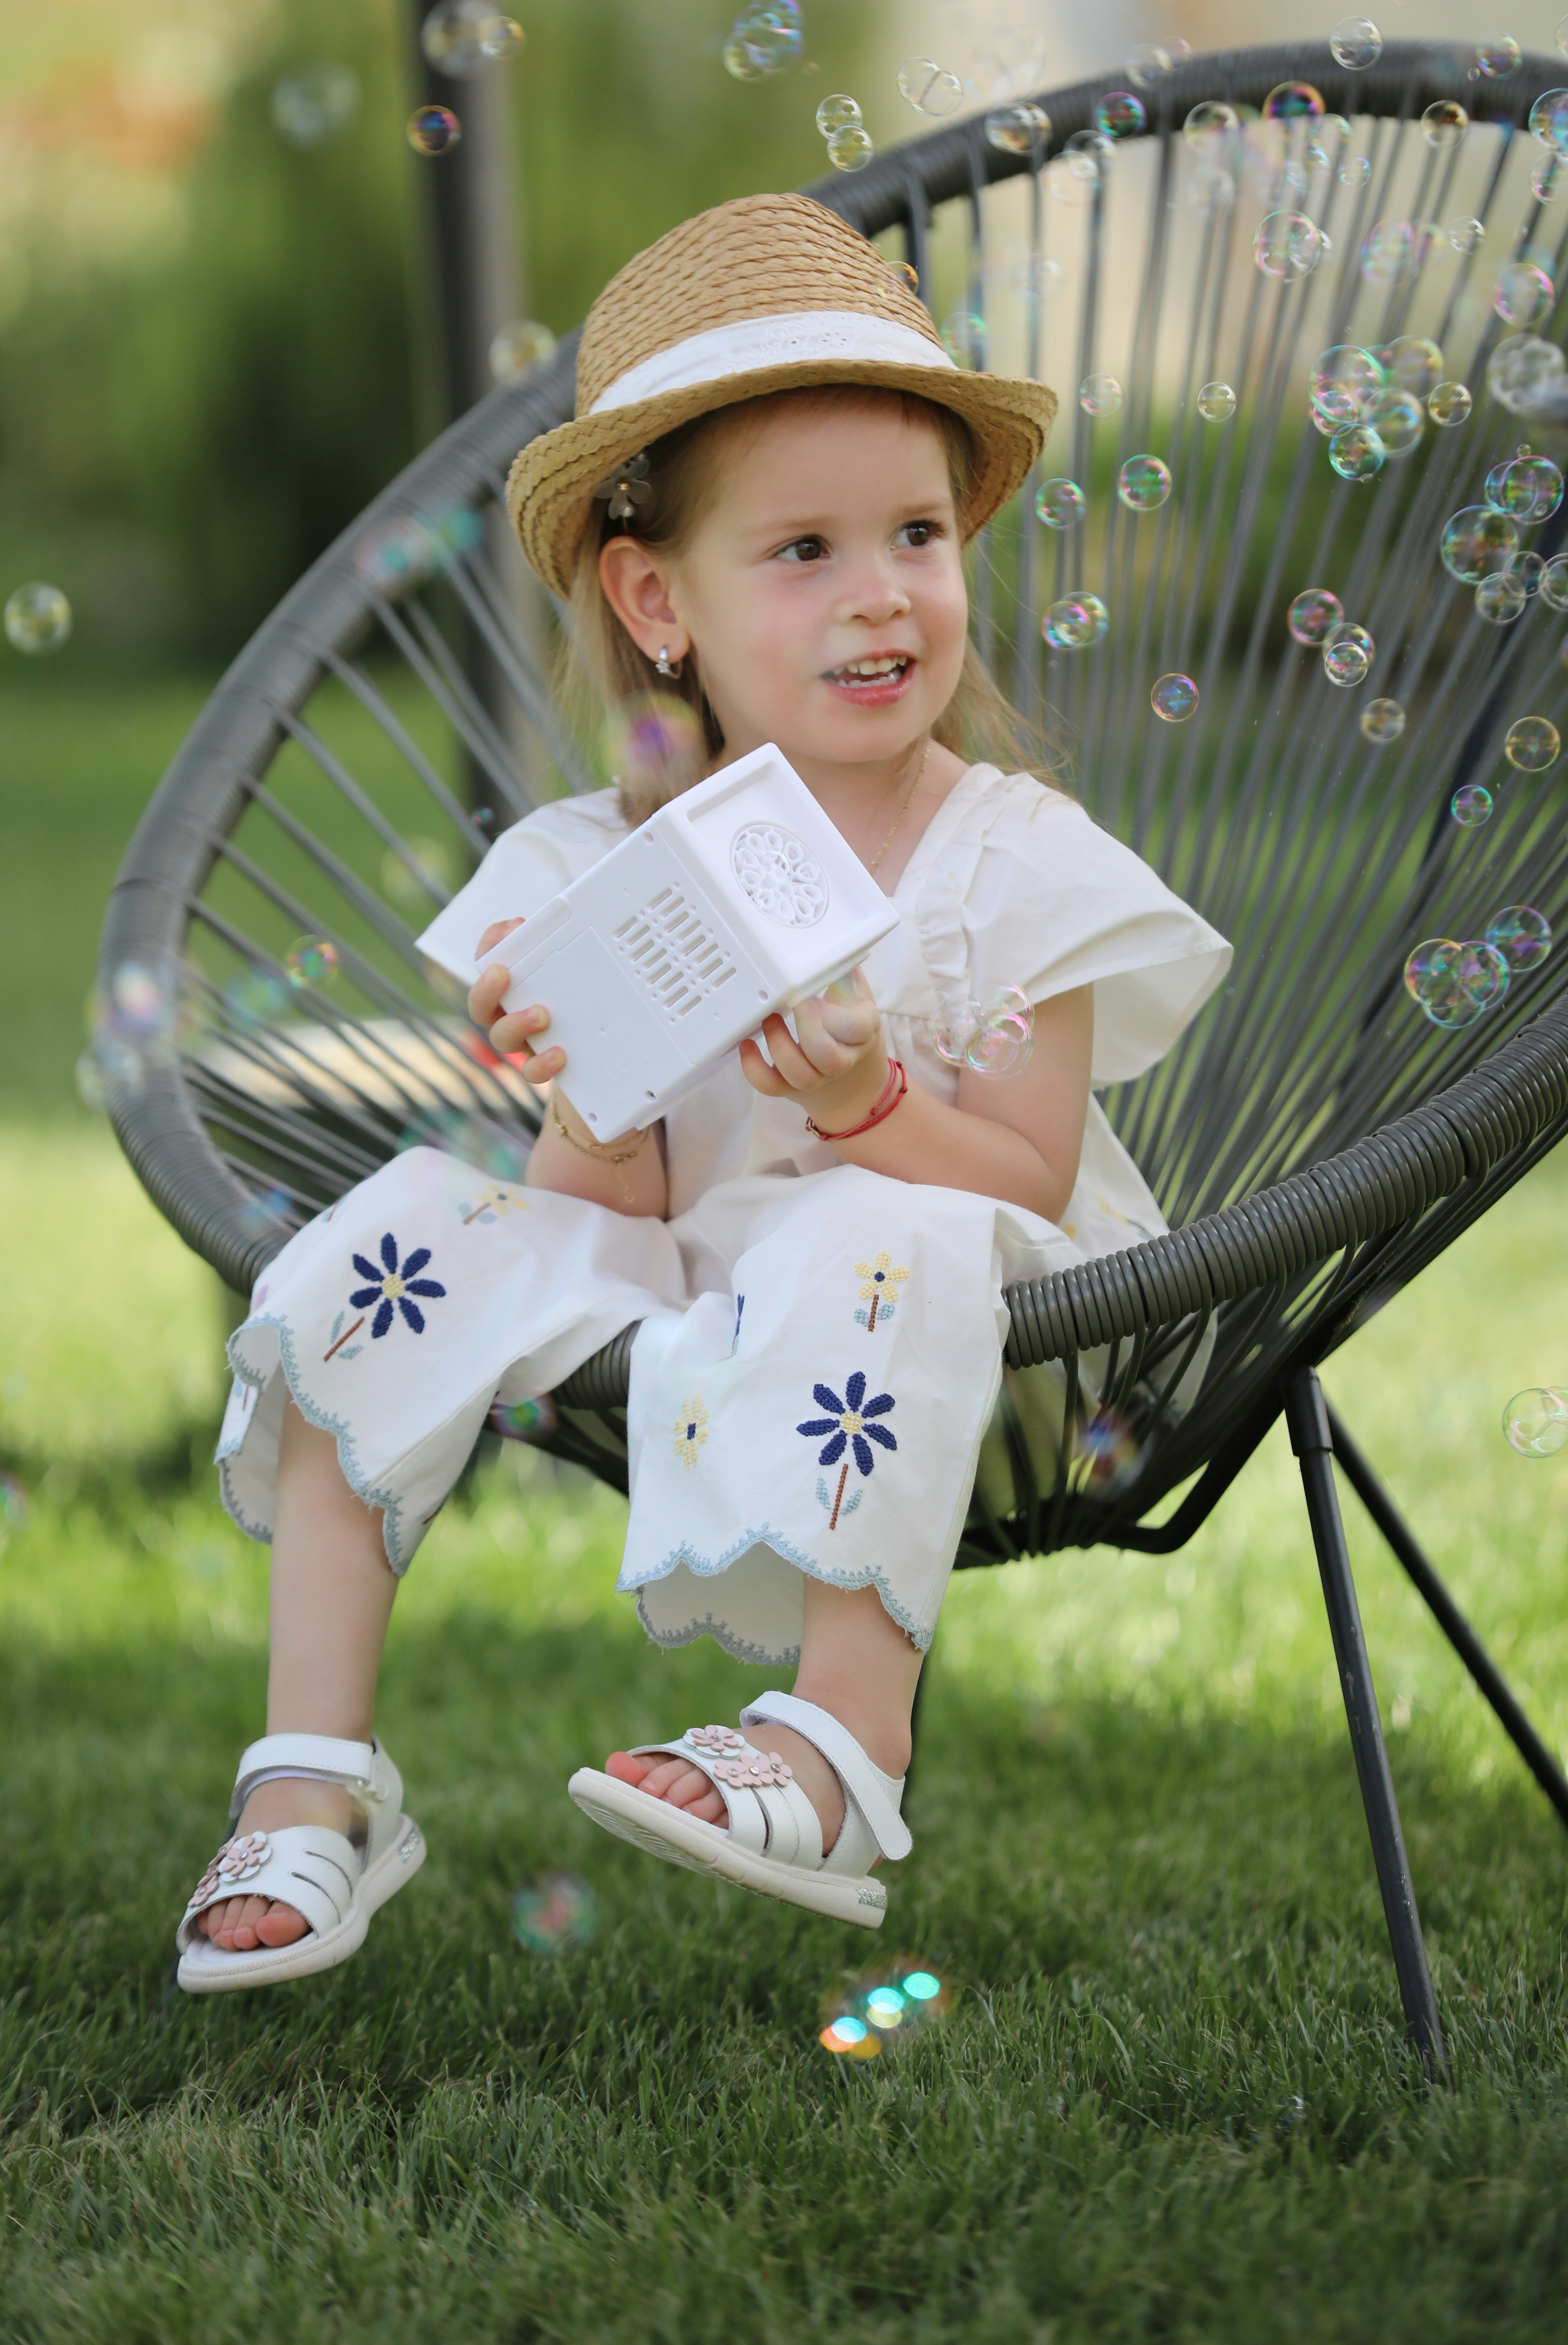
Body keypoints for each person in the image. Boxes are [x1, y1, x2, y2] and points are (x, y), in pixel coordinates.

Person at [175, 193, 1230, 1990]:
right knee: (402, 1235)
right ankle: (313, 1778)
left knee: (875, 1220)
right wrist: (587, 1088)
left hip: (989, 1343)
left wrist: (876, 1103)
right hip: (700, 1302)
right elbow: (609, 1225)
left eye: (916, 533)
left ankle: (840, 1748)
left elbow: (1032, 1185)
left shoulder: (1007, 861)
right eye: (803, 551)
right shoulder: (600, 868)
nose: (883, 591)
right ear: (659, 602)